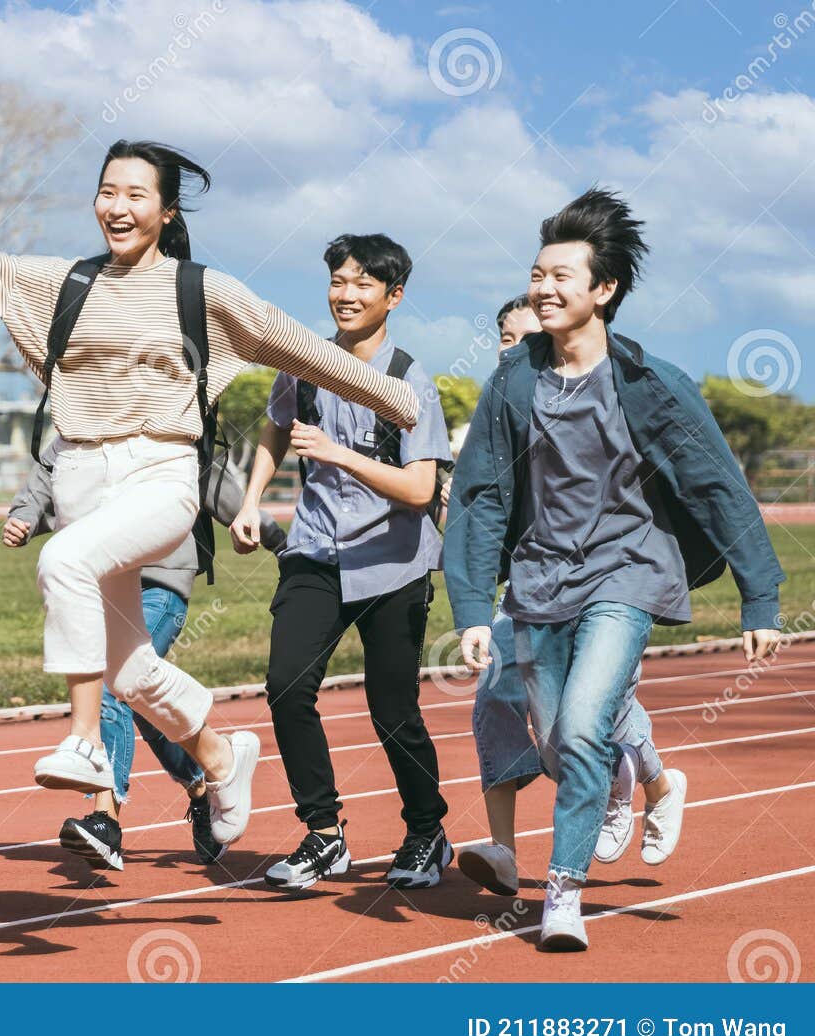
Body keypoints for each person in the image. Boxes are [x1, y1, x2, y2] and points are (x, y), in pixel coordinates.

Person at [0, 139, 418, 850]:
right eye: (106, 192)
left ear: (166, 210)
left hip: (161, 471)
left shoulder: (202, 292)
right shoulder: (60, 285)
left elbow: (299, 344)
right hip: (81, 475)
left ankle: (85, 741)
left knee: (63, 565)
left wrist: (393, 398)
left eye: (135, 194)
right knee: (127, 665)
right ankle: (218, 755)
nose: (117, 207)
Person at [447, 189, 785, 950]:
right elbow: (480, 493)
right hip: (538, 582)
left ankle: (561, 897)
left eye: (563, 275)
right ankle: (622, 778)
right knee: (561, 745)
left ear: (604, 290)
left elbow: (718, 485)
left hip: (626, 573)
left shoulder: (648, 383)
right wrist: (472, 605)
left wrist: (759, 597)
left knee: (589, 720)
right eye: (538, 273)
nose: (544, 287)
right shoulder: (514, 382)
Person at [233, 233, 454, 891]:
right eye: (338, 281)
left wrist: (341, 454)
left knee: (393, 707)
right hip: (315, 550)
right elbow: (278, 425)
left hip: (394, 563)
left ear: (395, 295)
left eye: (363, 283)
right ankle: (324, 834)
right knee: (286, 685)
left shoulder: (410, 379)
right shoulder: (304, 361)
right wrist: (251, 498)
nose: (346, 294)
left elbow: (420, 488)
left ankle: (426, 831)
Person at [456, 296, 679, 897]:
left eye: (523, 337)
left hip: (607, 578)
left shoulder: (595, 399)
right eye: (504, 337)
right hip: (526, 585)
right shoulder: (503, 406)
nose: (512, 348)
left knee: (595, 709)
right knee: (495, 698)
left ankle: (650, 782)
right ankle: (504, 850)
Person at [6, 447, 286, 869]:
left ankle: (105, 820)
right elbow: (55, 464)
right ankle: (203, 777)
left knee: (112, 686)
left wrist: (279, 540)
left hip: (160, 578)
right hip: (100, 570)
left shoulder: (168, 409)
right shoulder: (89, 408)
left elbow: (215, 479)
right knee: (136, 691)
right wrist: (26, 514)